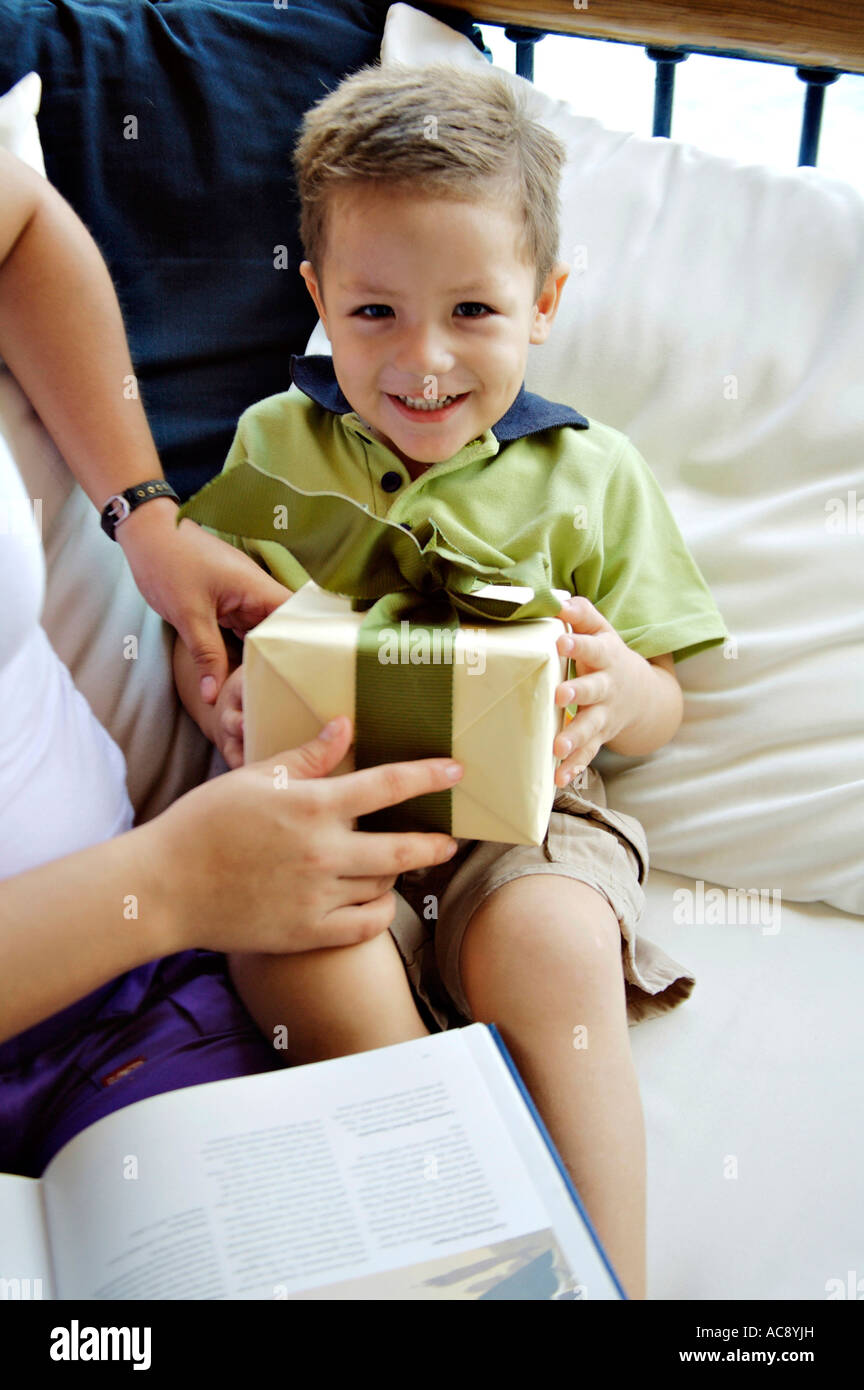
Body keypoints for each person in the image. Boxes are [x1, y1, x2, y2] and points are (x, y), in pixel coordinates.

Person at [172, 62, 728, 1300]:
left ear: (545, 304)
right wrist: (213, 688)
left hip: (529, 812)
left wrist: (613, 684)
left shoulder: (595, 470)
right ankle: (473, 1246)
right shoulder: (274, 444)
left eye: (474, 311)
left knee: (550, 936)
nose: (423, 361)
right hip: (327, 809)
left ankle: (611, 1284)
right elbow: (209, 614)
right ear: (316, 297)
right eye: (375, 314)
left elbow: (668, 697)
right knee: (301, 956)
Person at [0, 144, 462, 1178]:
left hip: (132, 1003)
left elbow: (20, 218)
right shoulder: (277, 443)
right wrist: (171, 880)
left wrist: (142, 515)